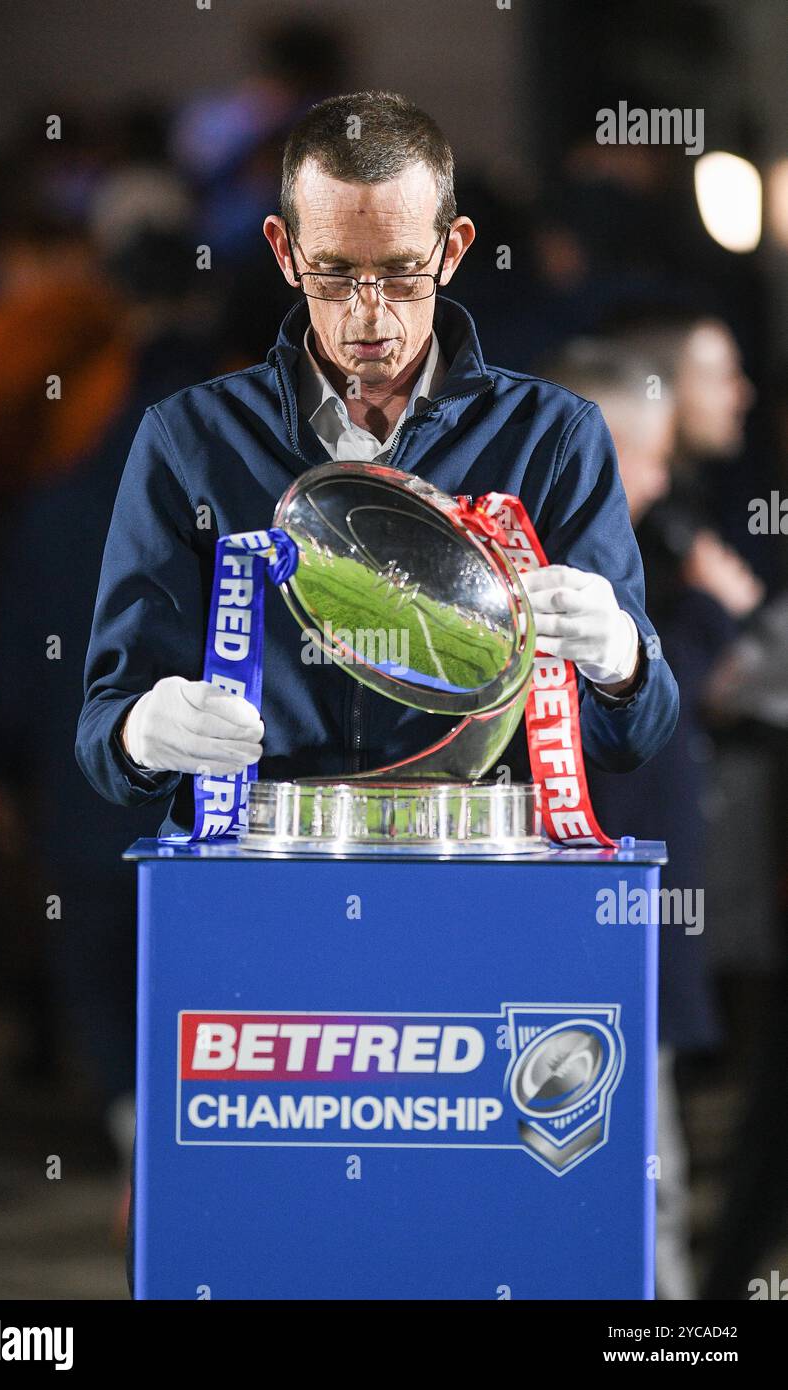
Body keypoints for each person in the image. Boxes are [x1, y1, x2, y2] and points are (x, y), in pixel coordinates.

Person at [76, 91, 679, 844]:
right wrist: (140, 733)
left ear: (454, 250)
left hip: (474, 879)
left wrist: (622, 661)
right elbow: (103, 733)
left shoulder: (551, 438)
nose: (367, 316)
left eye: (400, 274)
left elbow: (634, 740)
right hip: (267, 874)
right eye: (332, 273)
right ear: (283, 252)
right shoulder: (191, 438)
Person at [539, 338, 762, 1299]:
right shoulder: (561, 581)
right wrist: (712, 616)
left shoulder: (622, 564)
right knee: (637, 1200)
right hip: (599, 948)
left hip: (626, 946)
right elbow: (626, 737)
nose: (666, 479)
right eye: (653, 457)